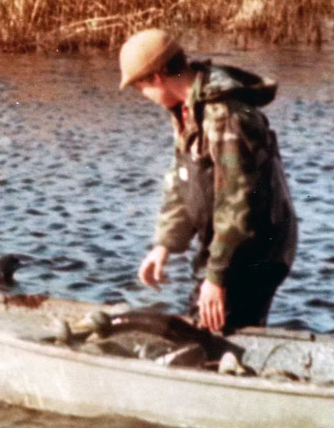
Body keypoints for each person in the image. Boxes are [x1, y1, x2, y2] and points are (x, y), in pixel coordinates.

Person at [119, 29, 297, 333]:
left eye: (141, 89)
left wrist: (217, 278)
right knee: (207, 324)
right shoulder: (188, 110)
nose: (145, 98)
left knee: (219, 329)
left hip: (256, 247)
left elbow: (239, 202)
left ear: (158, 77)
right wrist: (164, 245)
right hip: (227, 240)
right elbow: (182, 184)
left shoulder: (225, 114)